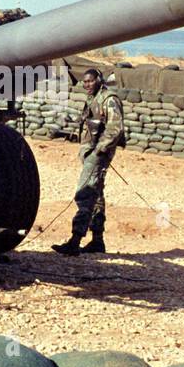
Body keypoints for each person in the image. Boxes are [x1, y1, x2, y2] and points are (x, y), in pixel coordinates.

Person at [53, 68, 125, 256]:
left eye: (90, 81)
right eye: (85, 82)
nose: (87, 85)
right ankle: (97, 241)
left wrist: (99, 150)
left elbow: (115, 128)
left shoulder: (109, 99)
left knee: (84, 193)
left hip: (98, 153)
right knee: (96, 194)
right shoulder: (93, 98)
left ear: (99, 80)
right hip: (91, 151)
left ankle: (75, 240)